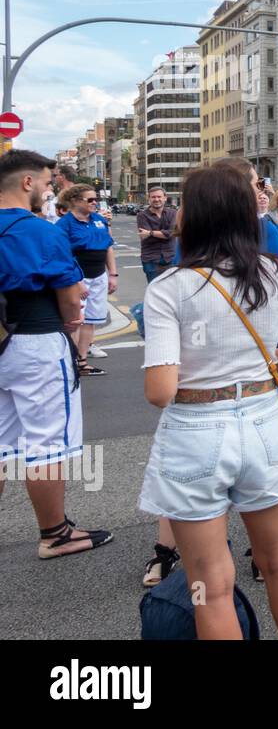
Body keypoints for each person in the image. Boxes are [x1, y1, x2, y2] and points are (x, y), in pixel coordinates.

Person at [137, 165, 278, 637]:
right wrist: (259, 358)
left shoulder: (168, 288)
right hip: (263, 423)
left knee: (210, 584)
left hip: (195, 430)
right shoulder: (277, 275)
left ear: (191, 217)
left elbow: (159, 390)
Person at [0, 150, 113, 560]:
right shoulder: (40, 231)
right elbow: (70, 300)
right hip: (34, 340)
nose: (50, 190)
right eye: (48, 183)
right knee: (45, 443)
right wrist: (72, 318)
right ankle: (55, 533)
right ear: (27, 183)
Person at [55, 184, 117, 377]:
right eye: (90, 199)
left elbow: (108, 247)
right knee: (75, 321)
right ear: (75, 201)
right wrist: (77, 281)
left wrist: (112, 274)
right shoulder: (64, 224)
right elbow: (63, 255)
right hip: (78, 277)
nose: (94, 203)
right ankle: (72, 360)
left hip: (99, 275)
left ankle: (82, 361)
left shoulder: (99, 220)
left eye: (95, 199)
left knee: (91, 320)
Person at [137, 186, 178, 283]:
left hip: (170, 258)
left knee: (171, 291)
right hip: (151, 259)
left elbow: (172, 233)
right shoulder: (142, 216)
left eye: (159, 197)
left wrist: (150, 233)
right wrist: (164, 233)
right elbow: (144, 235)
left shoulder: (173, 213)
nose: (156, 199)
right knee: (154, 290)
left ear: (165, 198)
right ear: (149, 199)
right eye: (153, 197)